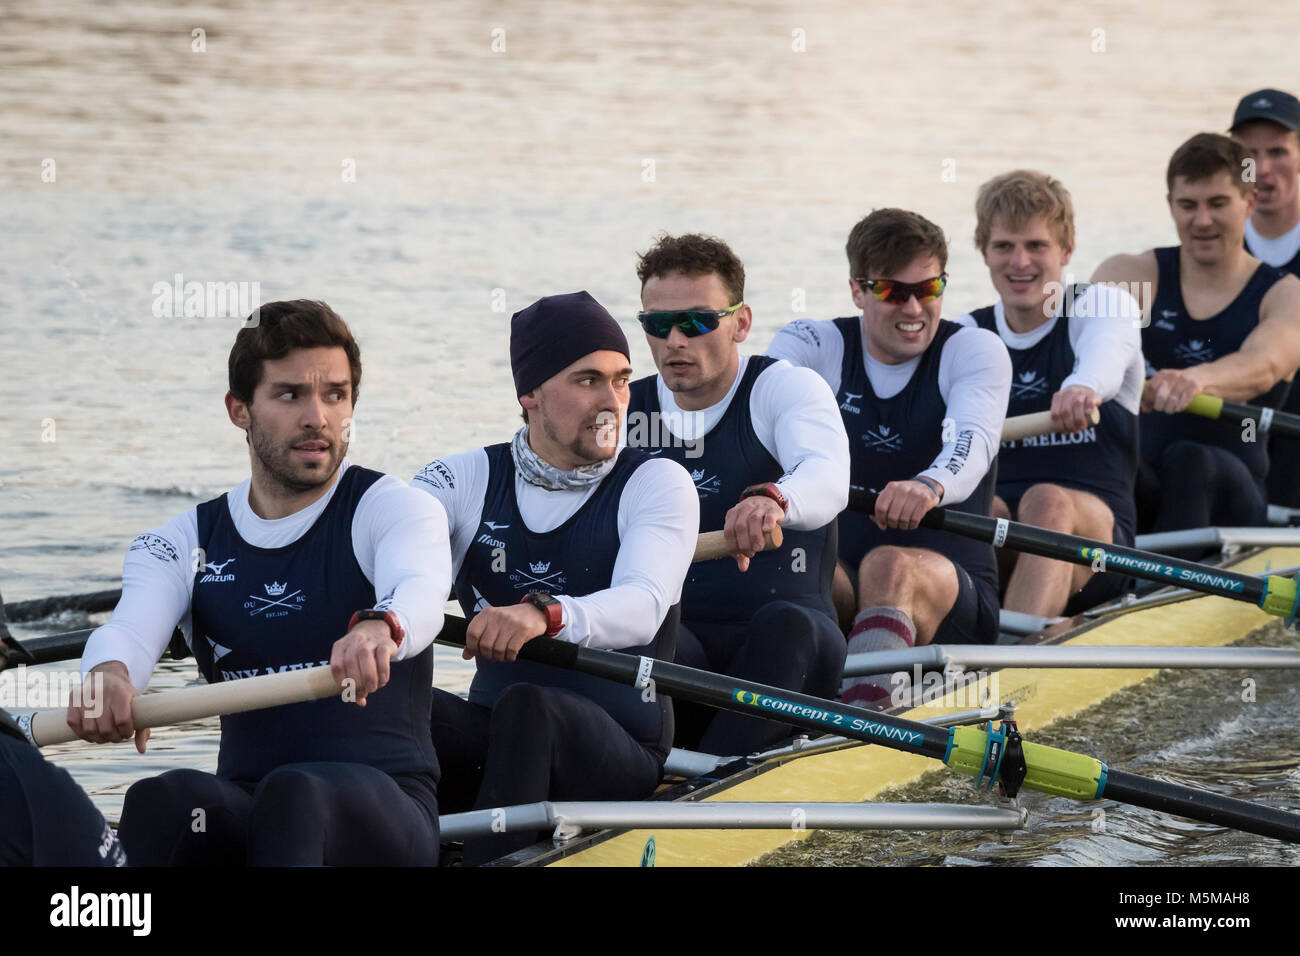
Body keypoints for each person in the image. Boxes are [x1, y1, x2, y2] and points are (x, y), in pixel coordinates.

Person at [68, 300, 451, 866]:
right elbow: (130, 627)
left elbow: (419, 588)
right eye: (290, 395)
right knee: (161, 797)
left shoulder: (394, 508)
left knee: (295, 793)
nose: (318, 418)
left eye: (336, 395)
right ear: (238, 409)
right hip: (249, 802)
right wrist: (108, 676)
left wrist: (381, 626)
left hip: (386, 810)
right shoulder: (180, 540)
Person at [414, 291, 698, 866]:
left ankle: (488, 859)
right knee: (399, 698)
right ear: (530, 396)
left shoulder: (656, 481)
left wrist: (544, 614)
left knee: (529, 705)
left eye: (621, 380)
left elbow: (642, 604)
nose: (613, 401)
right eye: (587, 380)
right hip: (501, 743)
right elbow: (403, 579)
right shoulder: (458, 478)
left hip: (620, 751)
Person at [768, 208, 1010, 706]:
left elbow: (973, 442)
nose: (914, 308)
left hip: (952, 594)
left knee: (887, 564)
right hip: (843, 577)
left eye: (929, 288)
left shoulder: (975, 350)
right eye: (892, 292)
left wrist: (929, 485)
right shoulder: (812, 343)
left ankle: (860, 718)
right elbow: (765, 419)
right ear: (857, 290)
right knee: (782, 561)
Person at [625, 234, 849, 755]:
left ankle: (703, 778)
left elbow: (827, 473)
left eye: (698, 322)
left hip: (791, 651)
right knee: (636, 629)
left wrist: (774, 499)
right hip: (688, 653)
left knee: (787, 625)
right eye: (657, 325)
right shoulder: (625, 411)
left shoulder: (783, 388)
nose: (675, 340)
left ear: (741, 323)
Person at [953, 171, 1143, 616]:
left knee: (1047, 500)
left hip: (1098, 548)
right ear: (984, 251)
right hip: (1003, 538)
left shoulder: (1102, 306)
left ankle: (1013, 668)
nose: (1020, 262)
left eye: (1036, 245)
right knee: (978, 507)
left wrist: (1083, 387)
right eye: (1004, 246)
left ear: (1067, 249)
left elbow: (1106, 351)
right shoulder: (964, 335)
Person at [1092, 133, 1300, 532]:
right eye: (1188, 205)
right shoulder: (1131, 273)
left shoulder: (1284, 294)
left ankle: (1162, 589)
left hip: (1233, 499)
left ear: (1250, 202)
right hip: (1148, 485)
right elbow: (1091, 339)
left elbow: (1263, 365)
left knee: (1190, 459)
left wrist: (1194, 380)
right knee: (1105, 460)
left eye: (1218, 204)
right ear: (1170, 205)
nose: (1201, 221)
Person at [1229, 90, 1300, 507]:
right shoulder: (1211, 241)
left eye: (1278, 152)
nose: (1262, 169)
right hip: (1234, 439)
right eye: (1248, 155)